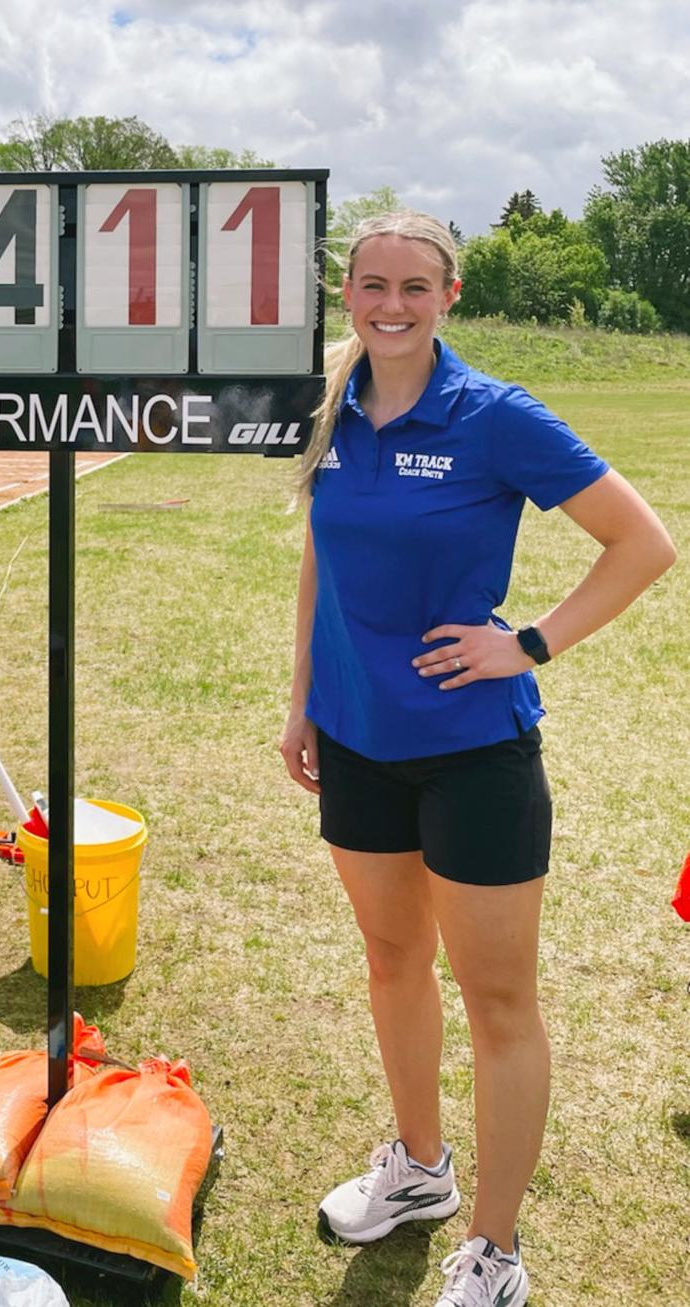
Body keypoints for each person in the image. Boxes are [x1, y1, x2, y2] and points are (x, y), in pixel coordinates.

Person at [278, 211, 674, 1306]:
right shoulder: (331, 407)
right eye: (372, 284)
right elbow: (320, 557)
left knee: (497, 1000)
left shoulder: (494, 414)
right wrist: (302, 699)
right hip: (355, 742)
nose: (390, 305)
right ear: (347, 292)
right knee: (390, 960)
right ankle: (418, 1168)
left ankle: (493, 1247)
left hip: (472, 755)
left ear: (448, 296)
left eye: (414, 286)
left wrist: (527, 641)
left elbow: (642, 541)